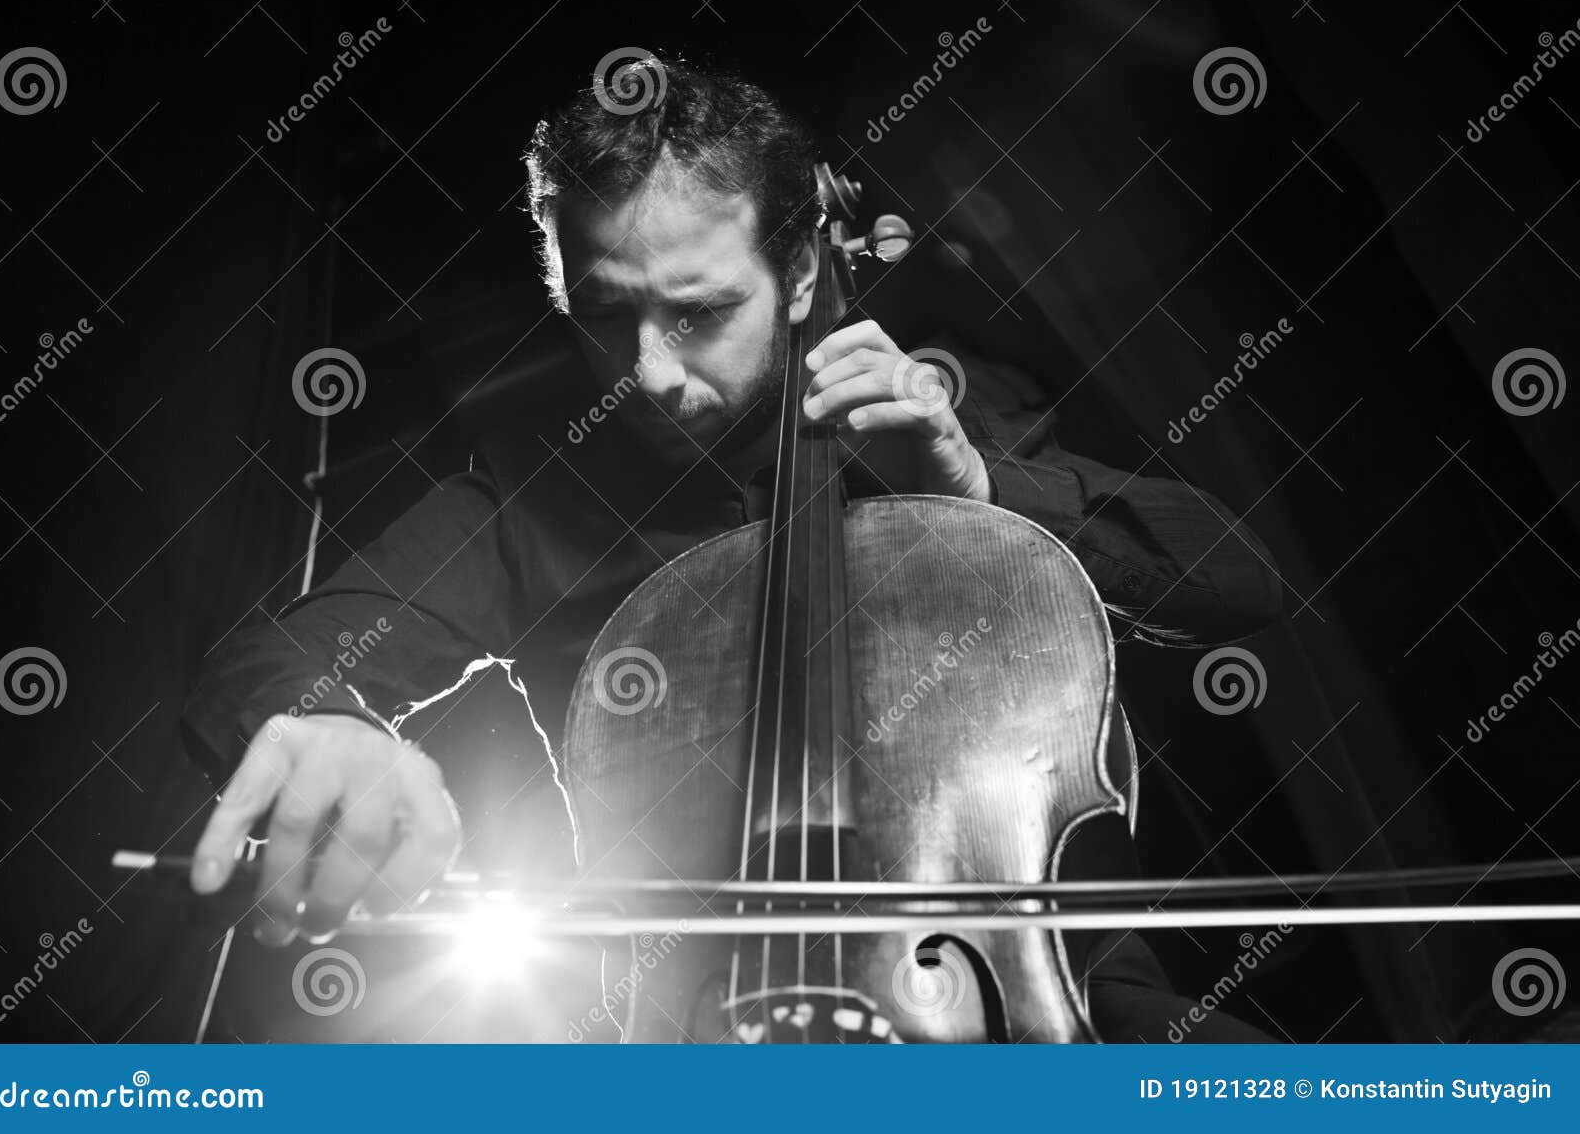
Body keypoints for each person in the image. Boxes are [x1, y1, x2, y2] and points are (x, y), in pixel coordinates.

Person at [181, 57, 1282, 1042]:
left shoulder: (933, 423)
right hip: (694, 1030)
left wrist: (985, 492)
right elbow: (277, 651)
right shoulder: (534, 501)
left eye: (699, 313)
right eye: (605, 314)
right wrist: (327, 718)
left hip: (1039, 1004)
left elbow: (1237, 572)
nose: (649, 370)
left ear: (801, 274)